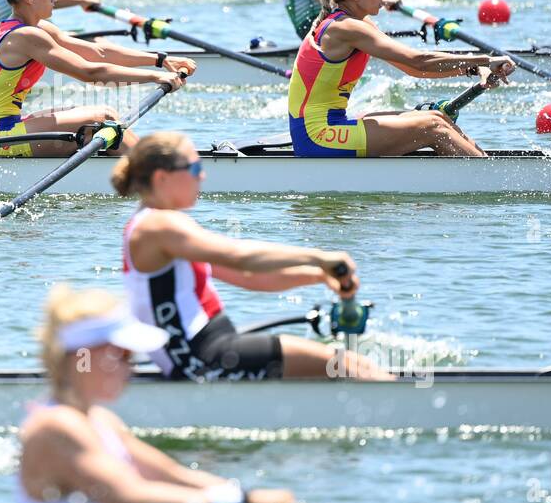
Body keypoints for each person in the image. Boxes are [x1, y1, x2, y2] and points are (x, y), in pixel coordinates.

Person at [18, 285, 330, 503]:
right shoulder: (54, 429)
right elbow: (134, 501)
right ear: (82, 357)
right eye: (122, 354)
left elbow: (176, 478)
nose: (131, 366)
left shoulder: (101, 423)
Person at [113, 132, 389, 380]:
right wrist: (320, 257)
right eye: (195, 168)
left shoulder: (165, 227)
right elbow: (239, 256)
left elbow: (248, 275)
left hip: (211, 347)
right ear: (162, 177)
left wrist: (319, 275)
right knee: (354, 367)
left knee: (347, 366)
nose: (202, 176)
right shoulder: (158, 226)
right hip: (200, 359)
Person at [289, 0, 514, 158]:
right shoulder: (345, 28)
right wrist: (484, 60)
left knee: (437, 117)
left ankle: (476, 171)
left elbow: (412, 69)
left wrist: (472, 69)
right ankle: (491, 180)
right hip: (316, 135)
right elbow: (418, 60)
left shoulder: (357, 24)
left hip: (331, 124)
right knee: (433, 126)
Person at [0, 0, 191, 157]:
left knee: (98, 114)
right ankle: (155, 170)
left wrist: (159, 59)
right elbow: (90, 73)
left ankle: (144, 162)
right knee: (103, 117)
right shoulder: (25, 36)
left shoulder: (35, 28)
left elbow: (97, 53)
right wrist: (155, 77)